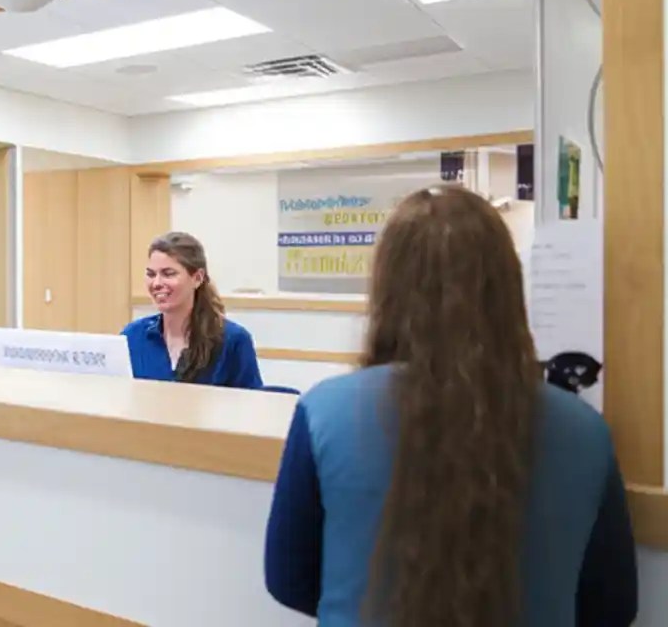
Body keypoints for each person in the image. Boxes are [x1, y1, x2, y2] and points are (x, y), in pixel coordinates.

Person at [264, 186, 637, 626]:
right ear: (509, 287)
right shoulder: (583, 430)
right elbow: (612, 605)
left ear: (386, 290)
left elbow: (289, 579)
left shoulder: (326, 411)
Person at [120, 232, 263, 389]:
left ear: (197, 278)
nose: (156, 283)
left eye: (168, 274)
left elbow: (251, 407)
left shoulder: (233, 340)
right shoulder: (132, 336)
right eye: (151, 274)